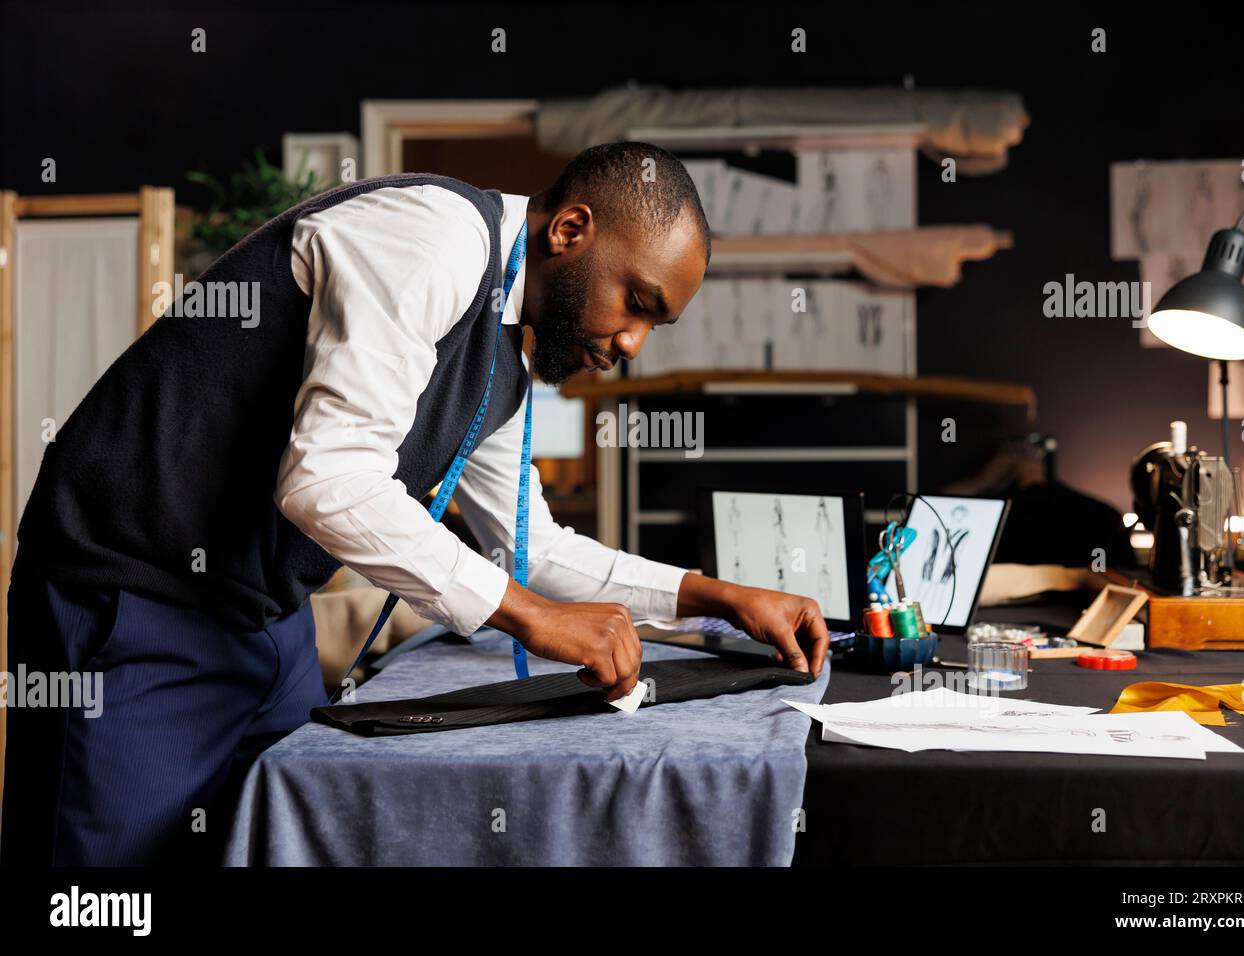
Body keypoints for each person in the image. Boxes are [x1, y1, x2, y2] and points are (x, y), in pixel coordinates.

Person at [2, 143, 828, 865]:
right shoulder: (430, 238)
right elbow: (328, 480)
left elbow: (530, 546)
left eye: (659, 324)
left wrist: (714, 599)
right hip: (134, 594)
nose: (632, 343)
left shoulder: (506, 362)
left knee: (276, 841)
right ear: (571, 230)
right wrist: (531, 617)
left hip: (264, 621)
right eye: (636, 302)